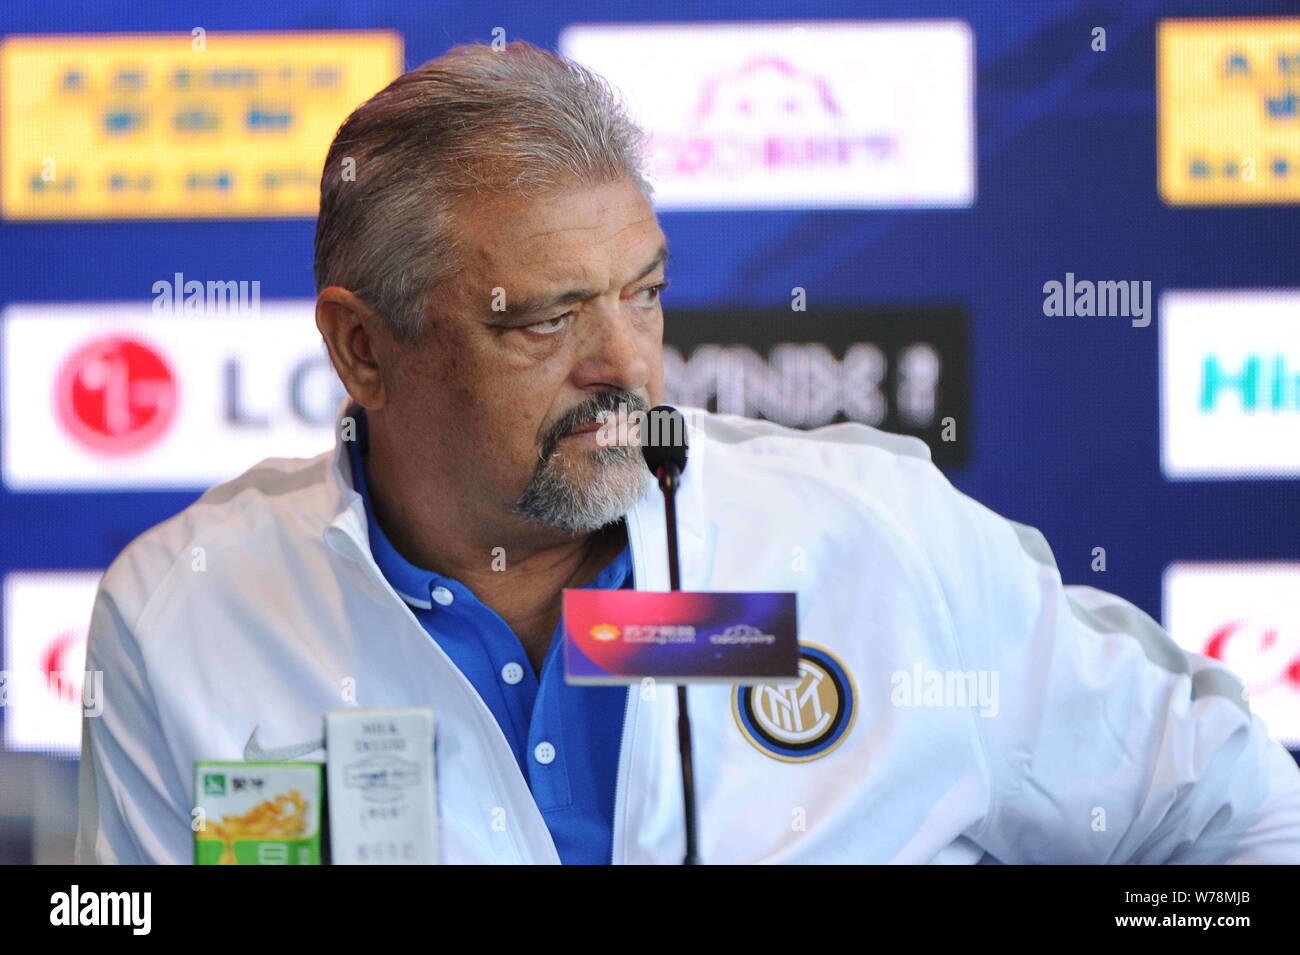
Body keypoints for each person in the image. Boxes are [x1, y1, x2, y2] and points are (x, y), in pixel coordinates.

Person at [77, 40, 1300, 864]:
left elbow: (1249, 816)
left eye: (645, 294)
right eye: (545, 318)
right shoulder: (189, 613)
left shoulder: (873, 541)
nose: (627, 366)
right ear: (362, 348)